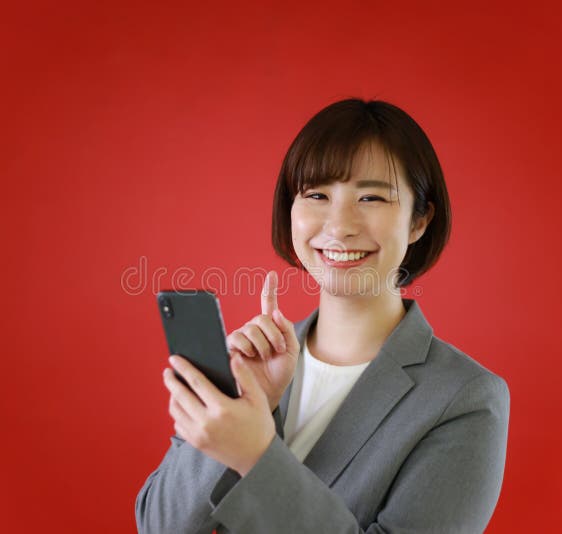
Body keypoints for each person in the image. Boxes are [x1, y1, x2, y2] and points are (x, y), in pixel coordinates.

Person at [136, 99, 510, 533]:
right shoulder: (251, 365)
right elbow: (158, 526)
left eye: (370, 197)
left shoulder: (465, 398)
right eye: (317, 194)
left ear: (419, 221)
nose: (339, 225)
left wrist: (256, 455)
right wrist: (246, 403)